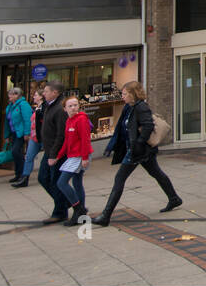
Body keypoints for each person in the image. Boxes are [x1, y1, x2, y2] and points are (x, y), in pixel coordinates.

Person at [93, 81, 181, 227]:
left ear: (133, 94)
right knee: (157, 173)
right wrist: (112, 145)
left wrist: (139, 144)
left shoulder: (141, 107)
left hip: (138, 151)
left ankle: (105, 215)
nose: (123, 96)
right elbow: (123, 128)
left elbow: (148, 126)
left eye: (125, 93)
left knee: (119, 178)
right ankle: (174, 198)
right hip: (138, 150)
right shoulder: (130, 107)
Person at [54, 96, 93, 226]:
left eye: (75, 105)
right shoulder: (69, 120)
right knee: (77, 183)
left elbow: (85, 139)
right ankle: (80, 212)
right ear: (65, 109)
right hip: (73, 156)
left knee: (61, 182)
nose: (73, 108)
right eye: (70, 106)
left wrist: (85, 158)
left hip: (79, 156)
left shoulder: (81, 119)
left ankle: (78, 208)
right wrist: (58, 156)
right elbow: (67, 141)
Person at [36, 81, 70, 223]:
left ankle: (60, 211)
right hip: (49, 149)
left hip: (56, 152)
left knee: (55, 180)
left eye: (46, 91)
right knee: (43, 177)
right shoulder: (49, 105)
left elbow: (61, 134)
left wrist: (54, 154)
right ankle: (66, 201)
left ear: (55, 93)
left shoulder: (60, 108)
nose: (43, 94)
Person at [13, 87, 42, 188]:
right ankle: (24, 178)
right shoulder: (36, 108)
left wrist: (26, 133)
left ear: (41, 97)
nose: (34, 97)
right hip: (34, 137)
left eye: (36, 95)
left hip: (43, 137)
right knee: (29, 157)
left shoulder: (45, 108)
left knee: (49, 158)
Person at [3, 87, 32, 186]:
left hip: (21, 133)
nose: (9, 96)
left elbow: (27, 119)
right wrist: (6, 135)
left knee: (15, 151)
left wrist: (27, 133)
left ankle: (23, 174)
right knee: (15, 153)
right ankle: (18, 174)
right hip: (14, 133)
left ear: (17, 95)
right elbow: (7, 121)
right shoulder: (10, 106)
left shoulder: (23, 105)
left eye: (11, 94)